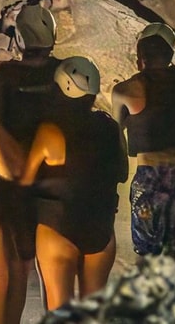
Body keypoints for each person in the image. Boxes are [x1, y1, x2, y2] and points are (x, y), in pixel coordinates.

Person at [0, 3, 61, 324]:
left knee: (16, 271)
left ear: (19, 39)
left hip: (14, 185)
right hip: (58, 186)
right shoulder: (63, 73)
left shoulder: (6, 78)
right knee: (56, 275)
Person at [20, 56, 126, 311]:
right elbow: (122, 172)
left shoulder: (50, 131)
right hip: (100, 224)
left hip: (58, 224)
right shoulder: (109, 127)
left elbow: (25, 179)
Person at [111, 22, 175, 258]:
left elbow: (114, 137)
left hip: (150, 176)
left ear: (140, 55)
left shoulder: (126, 90)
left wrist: (117, 178)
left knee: (148, 256)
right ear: (171, 54)